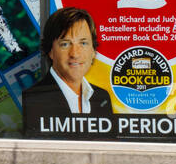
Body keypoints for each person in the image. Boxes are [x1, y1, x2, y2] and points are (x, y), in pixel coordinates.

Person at [22, 7, 113, 137]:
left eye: (83, 43)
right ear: (50, 51)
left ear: (93, 51)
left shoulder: (101, 97)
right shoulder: (36, 99)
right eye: (65, 44)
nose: (75, 54)